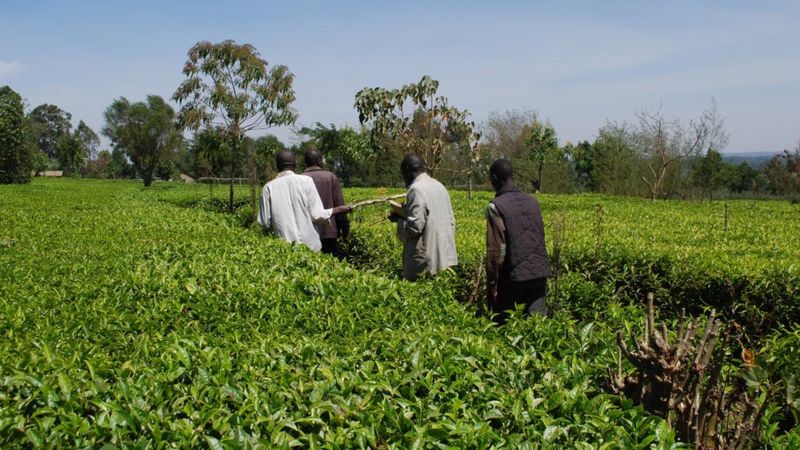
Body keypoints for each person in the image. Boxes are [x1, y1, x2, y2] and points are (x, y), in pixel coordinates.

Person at [486, 159, 551, 323]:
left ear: (495, 178)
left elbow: (497, 250)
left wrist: (492, 282)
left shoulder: (496, 206)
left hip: (513, 278)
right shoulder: (533, 202)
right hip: (539, 273)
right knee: (538, 327)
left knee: (508, 328)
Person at [258, 150, 350, 252]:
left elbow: (265, 223)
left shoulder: (268, 188)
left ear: (277, 165)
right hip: (311, 247)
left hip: (285, 251)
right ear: (295, 164)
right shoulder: (306, 181)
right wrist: (338, 210)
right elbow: (317, 214)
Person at [388, 154, 458, 281]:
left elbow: (414, 227)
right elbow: (450, 220)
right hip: (444, 256)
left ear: (408, 170)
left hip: (426, 262)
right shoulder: (439, 185)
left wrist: (398, 219)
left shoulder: (416, 190)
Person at [302, 149, 349, 258]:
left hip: (307, 231)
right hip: (329, 231)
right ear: (319, 160)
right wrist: (345, 230)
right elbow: (340, 206)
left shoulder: (299, 179)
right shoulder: (330, 177)